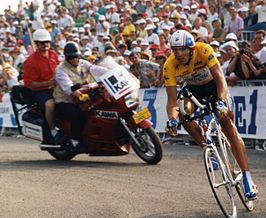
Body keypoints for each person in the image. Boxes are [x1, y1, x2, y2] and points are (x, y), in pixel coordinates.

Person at [163, 30, 258, 200]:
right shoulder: (170, 65)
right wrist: (172, 120)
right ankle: (208, 148)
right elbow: (171, 101)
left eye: (183, 49)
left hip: (214, 86)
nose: (179, 54)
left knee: (227, 124)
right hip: (193, 91)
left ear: (191, 48)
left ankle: (247, 178)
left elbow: (221, 79)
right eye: (175, 50)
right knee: (183, 113)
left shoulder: (204, 49)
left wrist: (221, 102)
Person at [53, 41, 108, 148]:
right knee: (78, 114)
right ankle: (75, 140)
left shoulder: (82, 63)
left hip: (83, 97)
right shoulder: (60, 70)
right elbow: (68, 87)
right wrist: (76, 92)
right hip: (65, 101)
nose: (75, 59)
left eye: (77, 56)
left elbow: (94, 69)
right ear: (66, 58)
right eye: (71, 57)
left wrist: (112, 71)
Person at [23, 28, 65, 145]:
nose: (46, 44)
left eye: (47, 41)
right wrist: (48, 83)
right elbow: (30, 84)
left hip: (56, 87)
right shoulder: (30, 62)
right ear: (36, 44)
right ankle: (53, 131)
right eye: (42, 42)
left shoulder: (53, 54)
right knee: (50, 104)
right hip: (40, 91)